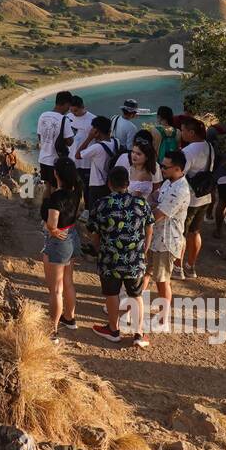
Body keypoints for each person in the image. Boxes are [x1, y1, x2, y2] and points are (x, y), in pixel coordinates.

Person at [90, 166, 155, 347]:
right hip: (135, 260)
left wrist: (98, 248)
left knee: (111, 293)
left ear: (109, 183)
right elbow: (150, 226)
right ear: (127, 183)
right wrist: (145, 248)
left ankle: (113, 330)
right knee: (137, 295)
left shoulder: (101, 204)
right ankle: (139, 334)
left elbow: (93, 231)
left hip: (109, 259)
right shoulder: (141, 203)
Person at [39, 156, 82, 337]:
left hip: (59, 242)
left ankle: (53, 331)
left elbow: (51, 222)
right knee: (68, 282)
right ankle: (70, 318)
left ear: (56, 173)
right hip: (71, 236)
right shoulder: (76, 191)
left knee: (56, 289)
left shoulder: (57, 197)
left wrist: (53, 230)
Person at [149, 150, 192, 321]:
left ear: (177, 168)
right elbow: (155, 197)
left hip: (166, 242)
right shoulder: (169, 182)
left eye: (165, 167)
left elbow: (158, 214)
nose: (162, 169)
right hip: (156, 238)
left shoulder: (180, 190)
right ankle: (134, 304)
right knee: (146, 273)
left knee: (162, 280)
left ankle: (163, 316)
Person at [179, 117, 214, 278]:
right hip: (205, 196)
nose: (182, 132)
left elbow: (180, 174)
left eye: (183, 130)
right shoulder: (210, 147)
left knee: (181, 233)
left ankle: (177, 268)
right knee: (195, 232)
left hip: (190, 198)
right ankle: (191, 266)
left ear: (191, 132)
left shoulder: (188, 151)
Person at [75, 114, 117, 210]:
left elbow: (78, 155)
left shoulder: (97, 147)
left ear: (96, 131)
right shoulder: (116, 142)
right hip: (110, 184)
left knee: (94, 212)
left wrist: (89, 138)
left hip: (97, 185)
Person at [35, 91, 73, 195]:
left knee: (47, 187)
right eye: (68, 106)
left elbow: (39, 136)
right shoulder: (64, 120)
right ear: (65, 103)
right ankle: (54, 210)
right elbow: (69, 142)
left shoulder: (43, 115)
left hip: (43, 158)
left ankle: (45, 209)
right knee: (57, 188)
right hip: (56, 161)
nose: (68, 109)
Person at [65, 96, 94, 206]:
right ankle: (74, 208)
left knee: (87, 187)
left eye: (75, 110)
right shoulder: (68, 117)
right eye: (71, 110)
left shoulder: (92, 120)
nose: (73, 113)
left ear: (83, 107)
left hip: (86, 161)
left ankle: (87, 209)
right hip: (72, 159)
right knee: (74, 187)